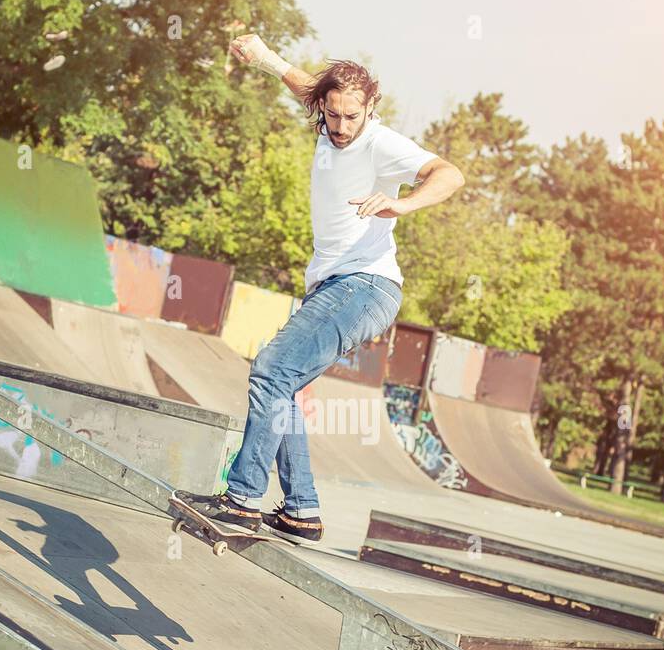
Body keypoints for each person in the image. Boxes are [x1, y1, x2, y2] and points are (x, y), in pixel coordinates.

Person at [179, 34, 465, 543]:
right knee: (282, 385)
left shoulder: (381, 141)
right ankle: (300, 510)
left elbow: (450, 174)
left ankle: (242, 499)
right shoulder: (326, 112)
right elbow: (303, 83)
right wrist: (263, 56)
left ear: (370, 108)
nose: (340, 127)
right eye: (332, 116)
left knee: (270, 370)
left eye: (351, 117)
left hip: (364, 285)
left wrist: (405, 204)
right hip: (338, 287)